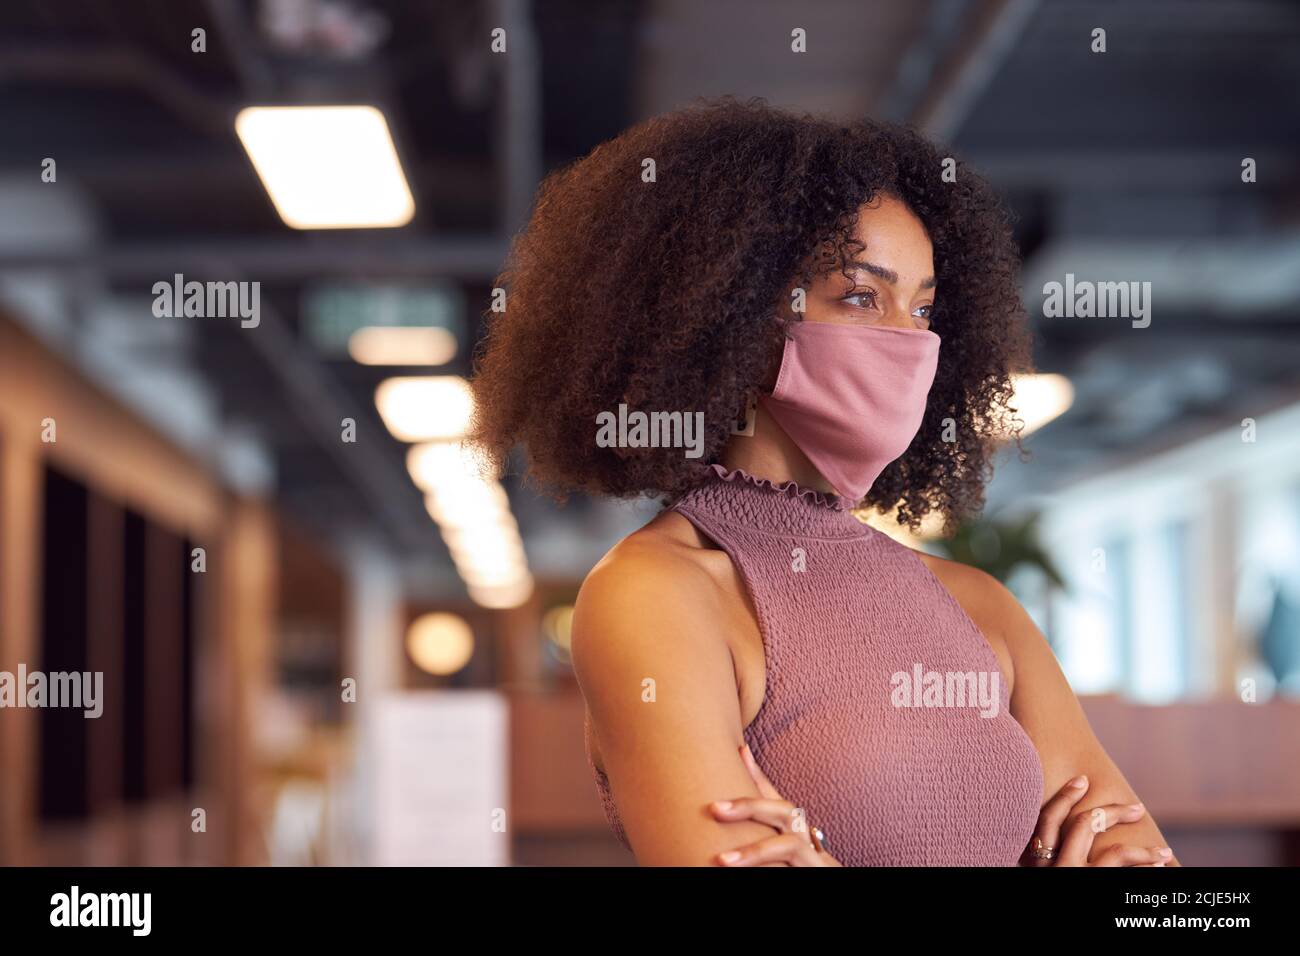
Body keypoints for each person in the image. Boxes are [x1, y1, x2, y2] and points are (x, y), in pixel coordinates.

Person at [469, 98, 1177, 867]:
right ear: (732, 317)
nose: (911, 342)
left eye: (925, 308)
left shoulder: (981, 608)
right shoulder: (656, 595)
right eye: (862, 297)